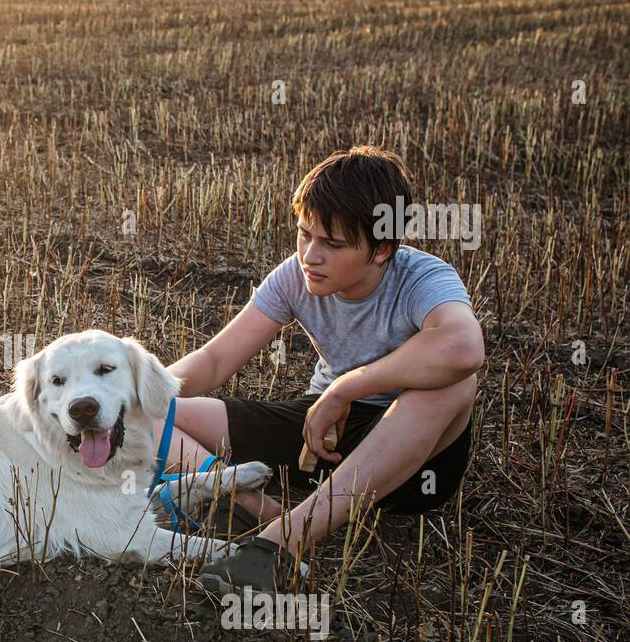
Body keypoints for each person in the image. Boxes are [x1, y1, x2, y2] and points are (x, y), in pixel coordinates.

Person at [156, 145, 484, 592]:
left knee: (454, 386)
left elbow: (464, 349)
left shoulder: (423, 278)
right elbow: (214, 360)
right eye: (304, 234)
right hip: (321, 438)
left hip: (412, 465)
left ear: (382, 248)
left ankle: (280, 543)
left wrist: (346, 388)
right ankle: (253, 506)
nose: (310, 255)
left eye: (332, 244)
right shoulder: (295, 276)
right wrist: (137, 388)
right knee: (154, 414)